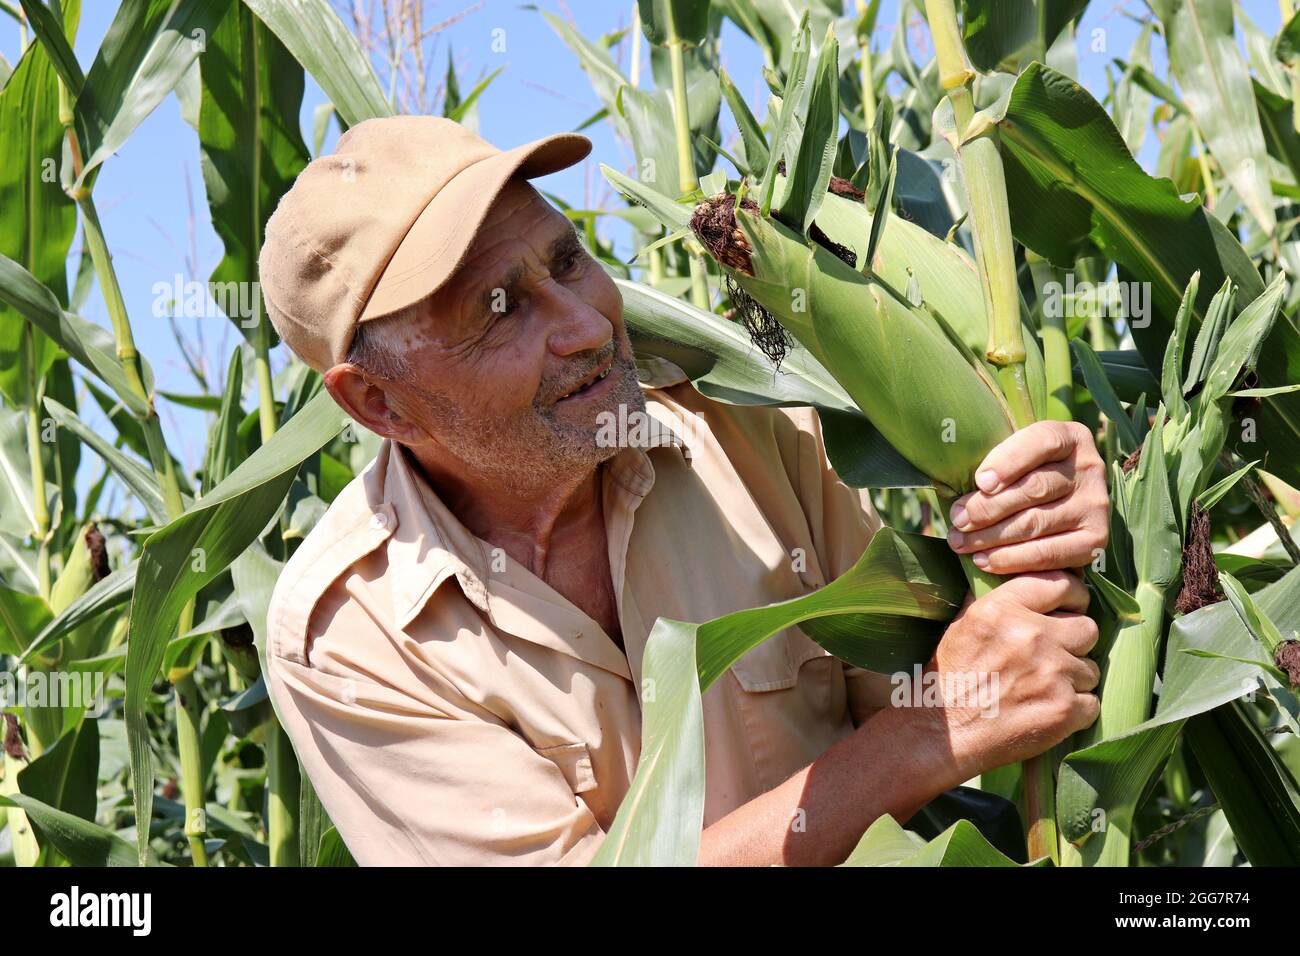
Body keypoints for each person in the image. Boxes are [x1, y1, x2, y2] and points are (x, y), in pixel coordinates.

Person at [258, 116, 1109, 866]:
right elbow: (938, 722)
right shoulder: (350, 635)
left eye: (568, 260)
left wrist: (1027, 512)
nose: (589, 326)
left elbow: (977, 693)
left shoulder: (747, 425)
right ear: (378, 402)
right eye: (502, 307)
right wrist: (929, 737)